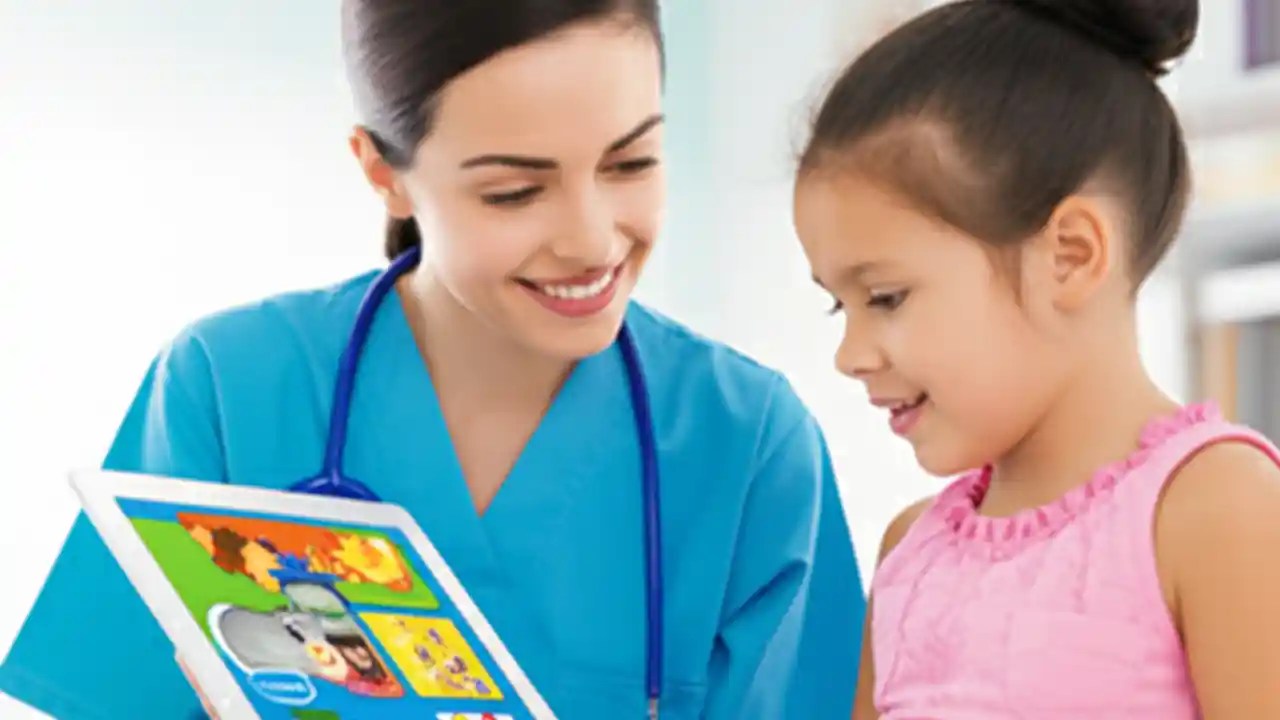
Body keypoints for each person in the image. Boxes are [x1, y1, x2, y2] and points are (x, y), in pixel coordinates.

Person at [0, 1, 866, 718]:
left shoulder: (746, 444)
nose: (592, 237)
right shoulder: (229, 392)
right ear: (384, 172)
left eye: (631, 161)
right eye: (514, 191)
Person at [791, 0, 1280, 717]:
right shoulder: (910, 556)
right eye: (842, 305)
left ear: (1070, 256)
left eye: (886, 297)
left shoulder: (1218, 508)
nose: (850, 354)